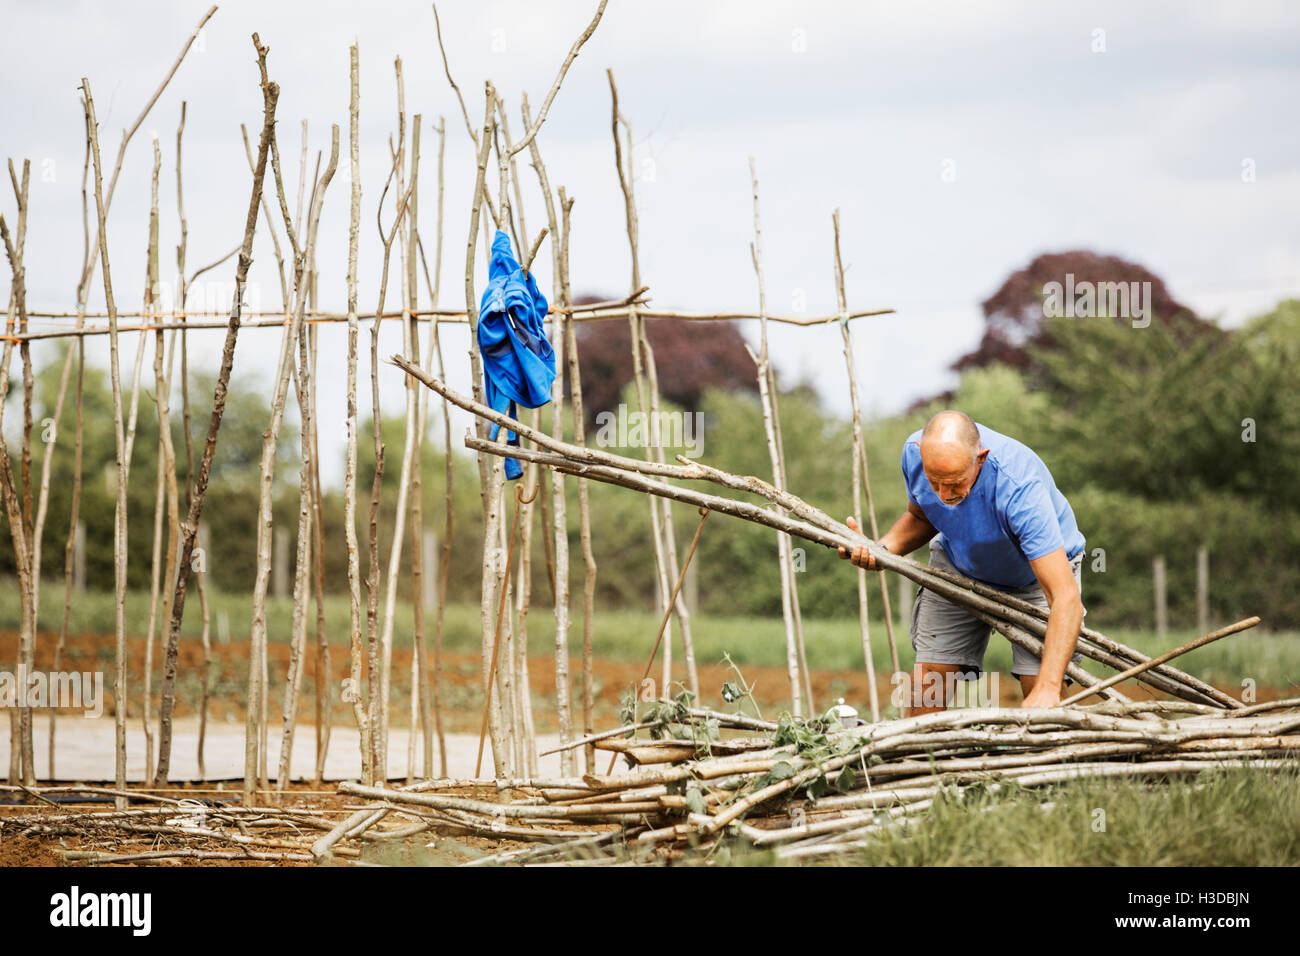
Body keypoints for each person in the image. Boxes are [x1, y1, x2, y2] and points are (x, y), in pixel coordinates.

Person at [839, 410, 1085, 714]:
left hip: (1034, 577)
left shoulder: (1019, 486)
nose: (944, 494)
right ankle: (921, 758)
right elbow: (921, 516)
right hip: (958, 563)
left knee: (1039, 689)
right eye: (935, 482)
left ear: (979, 459)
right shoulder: (915, 454)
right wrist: (880, 551)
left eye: (955, 483)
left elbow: (1065, 596)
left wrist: (1048, 687)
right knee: (927, 687)